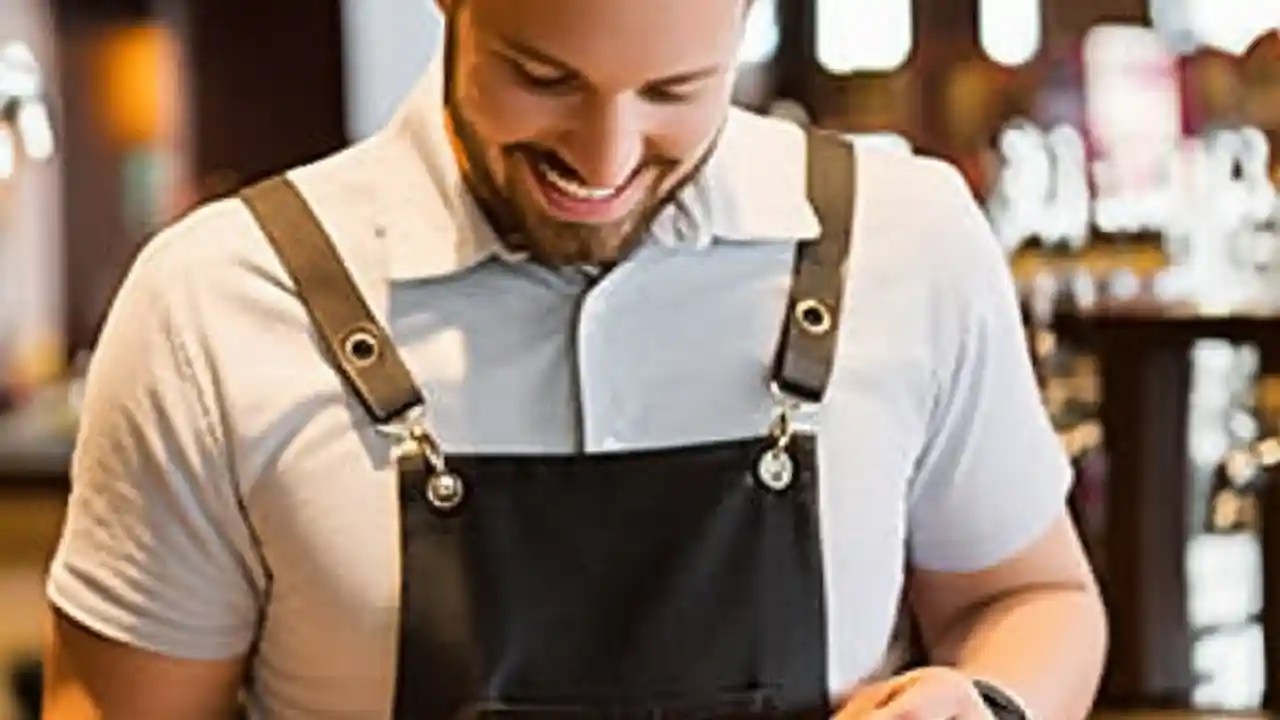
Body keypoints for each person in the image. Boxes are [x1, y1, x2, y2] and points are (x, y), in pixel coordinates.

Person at [41, 0, 1107, 717]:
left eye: (672, 91)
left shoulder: (903, 239)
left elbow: (1031, 598)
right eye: (539, 77)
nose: (600, 160)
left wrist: (982, 704)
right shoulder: (217, 300)